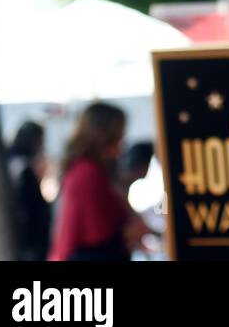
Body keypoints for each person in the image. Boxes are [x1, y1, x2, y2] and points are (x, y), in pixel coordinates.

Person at [48, 102, 148, 261]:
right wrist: (128, 233)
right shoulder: (86, 173)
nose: (122, 142)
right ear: (105, 135)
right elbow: (96, 235)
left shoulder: (89, 170)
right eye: (119, 135)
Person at [8, 121, 52, 260]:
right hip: (29, 238)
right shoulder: (22, 166)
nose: (41, 145)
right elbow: (32, 204)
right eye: (40, 141)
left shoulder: (14, 160)